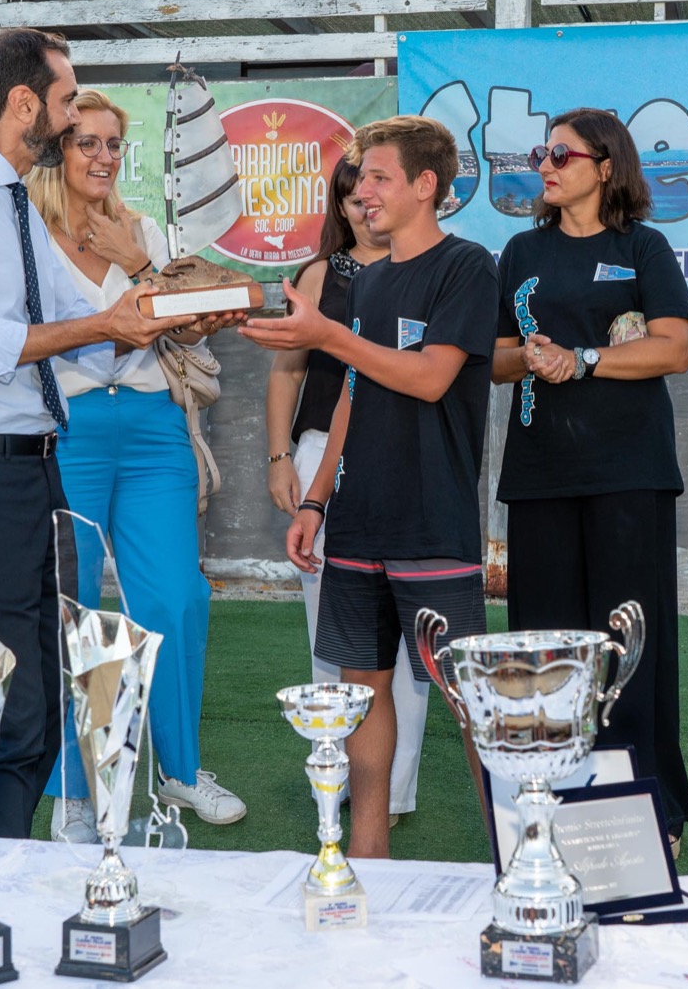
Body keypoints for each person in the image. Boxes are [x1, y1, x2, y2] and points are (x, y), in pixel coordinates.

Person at [0, 28, 191, 854]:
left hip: (34, 476)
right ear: (24, 104)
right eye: (65, 103)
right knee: (17, 707)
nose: (71, 120)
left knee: (42, 705)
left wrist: (175, 311)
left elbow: (90, 330)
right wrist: (104, 321)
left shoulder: (18, 199)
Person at [242, 115, 498, 859]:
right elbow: (352, 393)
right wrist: (317, 500)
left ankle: (515, 858)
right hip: (357, 519)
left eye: (380, 175)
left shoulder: (468, 265)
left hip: (432, 520)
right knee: (363, 687)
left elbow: (428, 378)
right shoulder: (372, 279)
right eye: (359, 178)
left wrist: (326, 335)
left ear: (427, 186)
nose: (363, 190)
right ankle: (368, 852)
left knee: (468, 702)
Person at [26, 87, 246, 839]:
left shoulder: (144, 225)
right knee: (73, 608)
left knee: (177, 597)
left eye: (114, 143)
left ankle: (180, 774)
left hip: (155, 427)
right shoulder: (23, 228)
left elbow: (201, 308)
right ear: (56, 146)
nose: (103, 156)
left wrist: (145, 259)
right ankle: (76, 790)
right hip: (72, 429)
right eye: (87, 141)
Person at [491, 107, 688, 855]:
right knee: (546, 651)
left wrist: (583, 360)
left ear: (606, 165)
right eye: (541, 153)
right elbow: (494, 355)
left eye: (561, 154)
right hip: (541, 473)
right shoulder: (519, 250)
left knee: (628, 647)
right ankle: (549, 806)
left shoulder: (644, 246)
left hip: (628, 475)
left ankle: (651, 814)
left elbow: (676, 347)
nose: (545, 166)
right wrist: (535, 358)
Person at [262, 157, 428, 827]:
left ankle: (389, 796)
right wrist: (280, 458)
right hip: (318, 466)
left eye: (377, 187)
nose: (364, 201)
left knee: (410, 646)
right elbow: (285, 373)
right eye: (351, 193)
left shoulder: (434, 272)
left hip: (411, 461)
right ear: (338, 203)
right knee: (331, 636)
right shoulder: (318, 275)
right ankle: (333, 782)